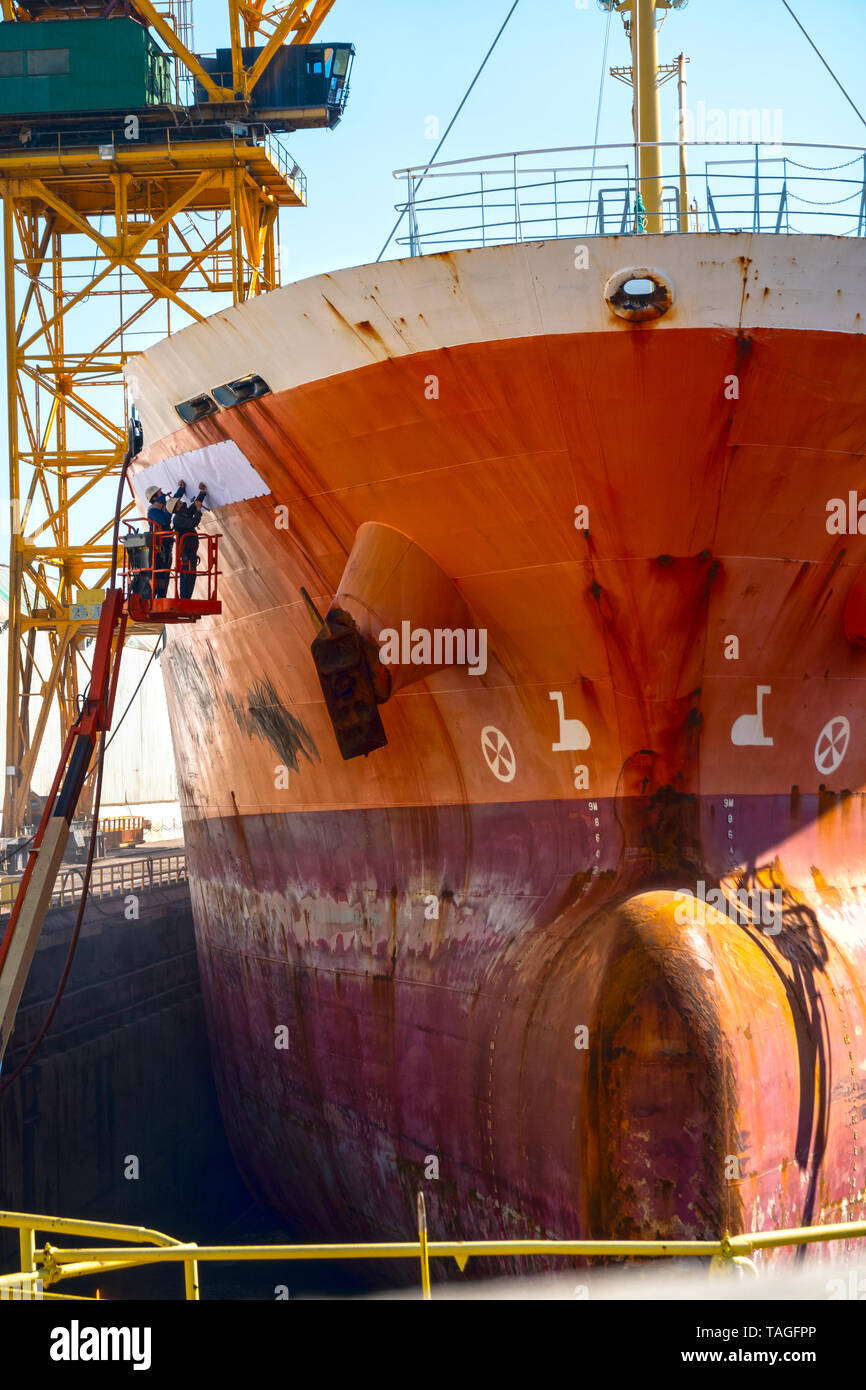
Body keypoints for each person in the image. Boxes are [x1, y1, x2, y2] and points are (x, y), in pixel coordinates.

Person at [171, 480, 208, 599]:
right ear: (176, 509)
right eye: (179, 503)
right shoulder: (178, 519)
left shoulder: (183, 513)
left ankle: (186, 599)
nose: (181, 502)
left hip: (190, 551)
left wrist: (202, 493)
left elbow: (193, 506)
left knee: (191, 575)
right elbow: (193, 522)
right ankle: (184, 599)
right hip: (186, 553)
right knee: (186, 576)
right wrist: (198, 510)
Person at [144, 485, 179, 598]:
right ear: (154, 498)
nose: (163, 495)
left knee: (165, 574)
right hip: (158, 550)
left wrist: (181, 489)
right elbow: (164, 520)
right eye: (160, 493)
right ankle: (155, 598)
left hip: (165, 547)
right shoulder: (153, 512)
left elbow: (172, 503)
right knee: (159, 575)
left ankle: (161, 597)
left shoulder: (161, 509)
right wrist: (169, 510)